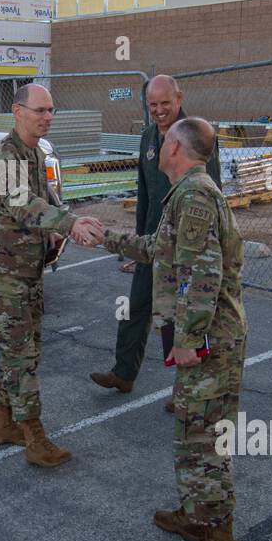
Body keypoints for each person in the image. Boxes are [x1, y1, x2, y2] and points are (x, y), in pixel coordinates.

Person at [101, 117, 247, 541]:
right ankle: (195, 517)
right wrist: (102, 235)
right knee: (191, 430)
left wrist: (188, 339)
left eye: (165, 141)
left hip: (210, 339)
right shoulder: (184, 193)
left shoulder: (196, 195)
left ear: (177, 150)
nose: (159, 145)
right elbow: (159, 249)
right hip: (203, 335)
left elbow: (203, 275)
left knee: (204, 441)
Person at [0, 83, 104, 467]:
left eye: (51, 111)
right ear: (17, 111)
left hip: (26, 269)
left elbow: (45, 197)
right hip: (4, 275)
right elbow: (23, 205)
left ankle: (2, 424)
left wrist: (62, 221)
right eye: (40, 111)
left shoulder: (32, 152)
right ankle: (35, 437)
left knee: (23, 352)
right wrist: (69, 223)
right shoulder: (2, 157)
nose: (48, 117)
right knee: (21, 356)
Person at [91, 74, 193, 411]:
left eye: (165, 103)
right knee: (135, 308)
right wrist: (135, 246)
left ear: (178, 98)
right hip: (150, 244)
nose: (160, 110)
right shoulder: (148, 137)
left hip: (182, 246)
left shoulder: (195, 135)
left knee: (178, 319)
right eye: (153, 105)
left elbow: (210, 188)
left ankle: (187, 390)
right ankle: (123, 373)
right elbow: (145, 193)